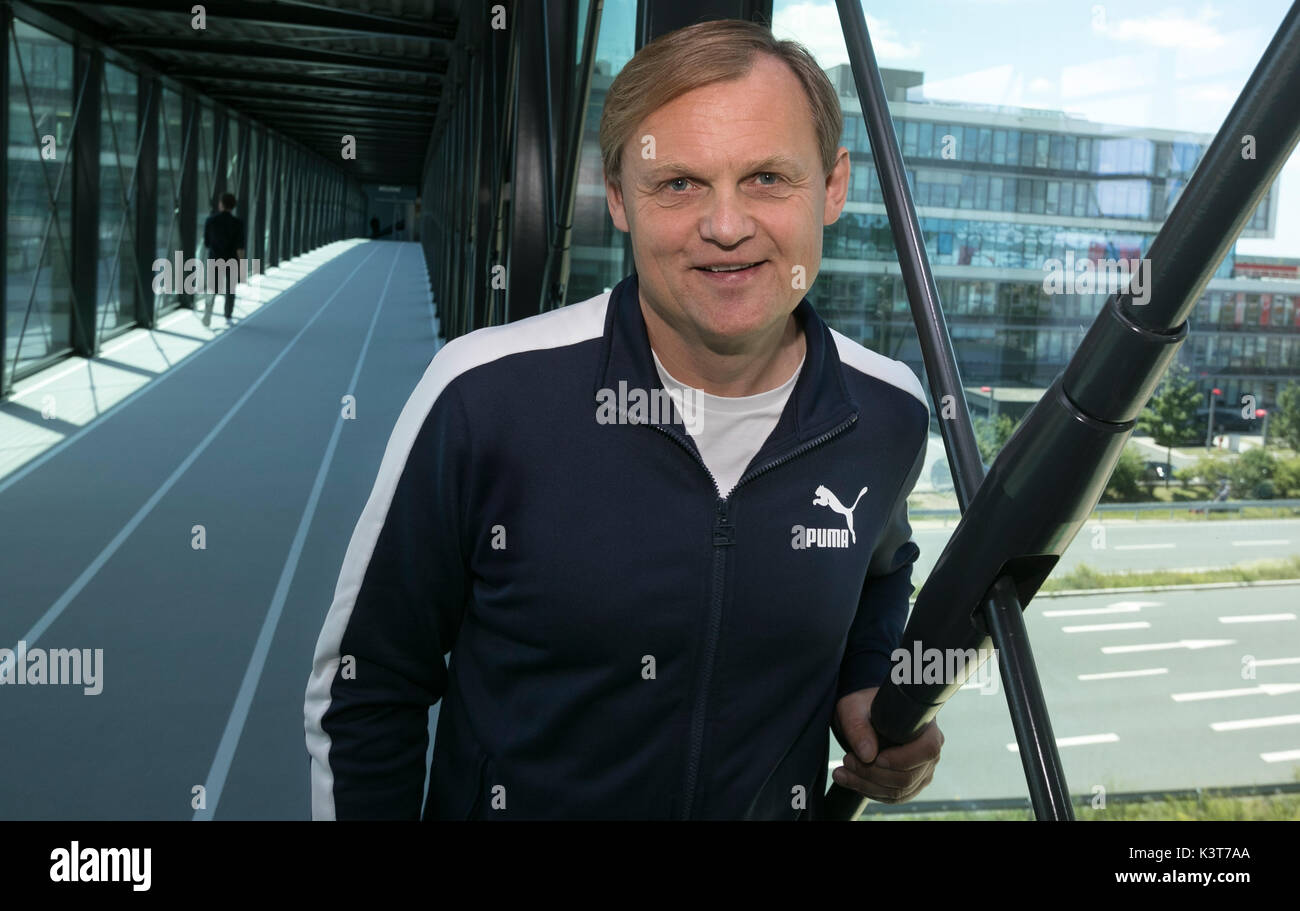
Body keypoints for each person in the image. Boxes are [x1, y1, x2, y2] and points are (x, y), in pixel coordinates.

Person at [305, 18, 941, 820]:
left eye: (768, 179)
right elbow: (364, 687)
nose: (726, 225)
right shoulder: (484, 395)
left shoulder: (887, 412)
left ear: (835, 186)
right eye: (678, 183)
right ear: (617, 199)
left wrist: (867, 680)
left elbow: (883, 566)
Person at [202, 192, 245, 326]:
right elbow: (240, 247)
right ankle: (228, 315)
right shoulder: (238, 223)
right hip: (231, 259)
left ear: (221, 204)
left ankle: (208, 311)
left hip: (214, 258)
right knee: (230, 289)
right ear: (233, 206)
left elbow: (207, 243)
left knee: (212, 287)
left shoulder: (210, 221)